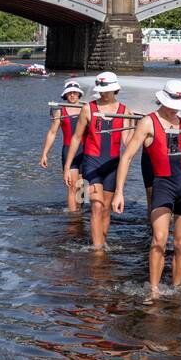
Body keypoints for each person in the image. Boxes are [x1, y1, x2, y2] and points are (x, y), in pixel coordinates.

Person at [113, 79, 181, 296]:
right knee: (159, 238)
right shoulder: (148, 122)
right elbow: (127, 157)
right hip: (163, 184)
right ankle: (153, 291)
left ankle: (177, 288)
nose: (176, 109)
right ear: (163, 100)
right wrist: (119, 192)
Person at [64, 71, 130, 249]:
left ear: (115, 90)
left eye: (107, 90)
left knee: (107, 208)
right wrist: (68, 166)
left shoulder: (125, 111)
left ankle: (101, 241)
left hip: (112, 165)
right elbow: (76, 138)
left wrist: (138, 130)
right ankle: (98, 251)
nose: (103, 94)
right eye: (101, 90)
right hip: (91, 163)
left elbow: (127, 143)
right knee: (96, 206)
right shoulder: (88, 108)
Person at [40, 79, 85, 214]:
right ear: (65, 95)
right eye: (69, 93)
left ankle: (80, 215)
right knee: (72, 187)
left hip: (86, 152)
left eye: (75, 93)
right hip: (68, 152)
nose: (72, 95)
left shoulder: (86, 109)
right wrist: (44, 154)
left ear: (79, 94)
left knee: (82, 187)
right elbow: (52, 132)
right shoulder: (60, 111)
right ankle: (73, 220)